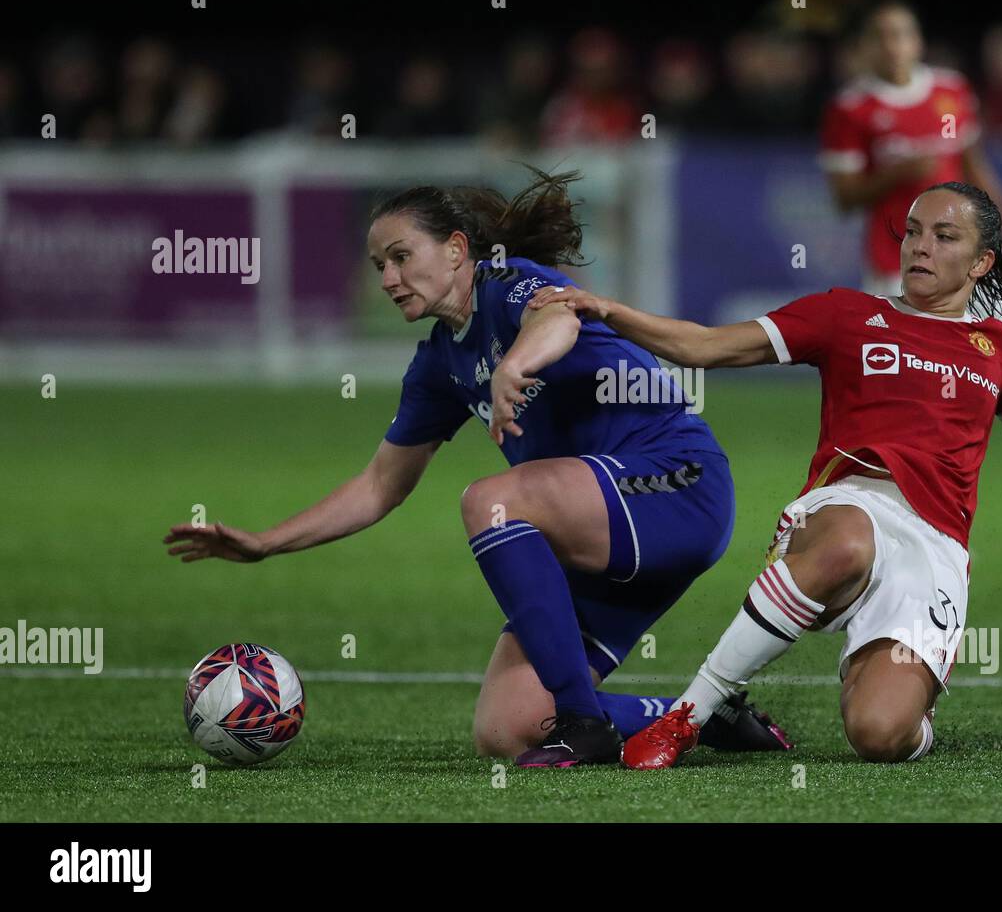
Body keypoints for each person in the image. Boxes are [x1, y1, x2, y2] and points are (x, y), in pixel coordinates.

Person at [526, 181, 1002, 769]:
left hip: (933, 551)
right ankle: (691, 713)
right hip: (845, 506)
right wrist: (610, 311)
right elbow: (710, 347)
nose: (921, 246)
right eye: (912, 232)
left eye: (944, 236)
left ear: (981, 263)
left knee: (878, 736)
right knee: (846, 542)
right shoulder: (846, 315)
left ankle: (906, 704)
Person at [163, 169, 790, 767]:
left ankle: (584, 727)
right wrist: (267, 543)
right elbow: (380, 486)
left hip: (676, 484)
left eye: (401, 256)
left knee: (491, 502)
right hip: (595, 531)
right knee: (506, 728)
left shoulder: (505, 281)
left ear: (458, 249)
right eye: (379, 264)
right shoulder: (437, 365)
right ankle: (702, 716)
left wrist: (515, 365)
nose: (387, 277)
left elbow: (559, 316)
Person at [819, 0, 1002, 568]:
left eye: (904, 34)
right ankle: (887, 533)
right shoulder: (852, 110)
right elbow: (845, 197)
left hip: (971, 268)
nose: (895, 45)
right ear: (868, 46)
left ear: (916, 40)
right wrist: (896, 172)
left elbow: (972, 162)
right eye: (883, 36)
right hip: (897, 269)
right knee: (905, 403)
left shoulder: (949, 90)